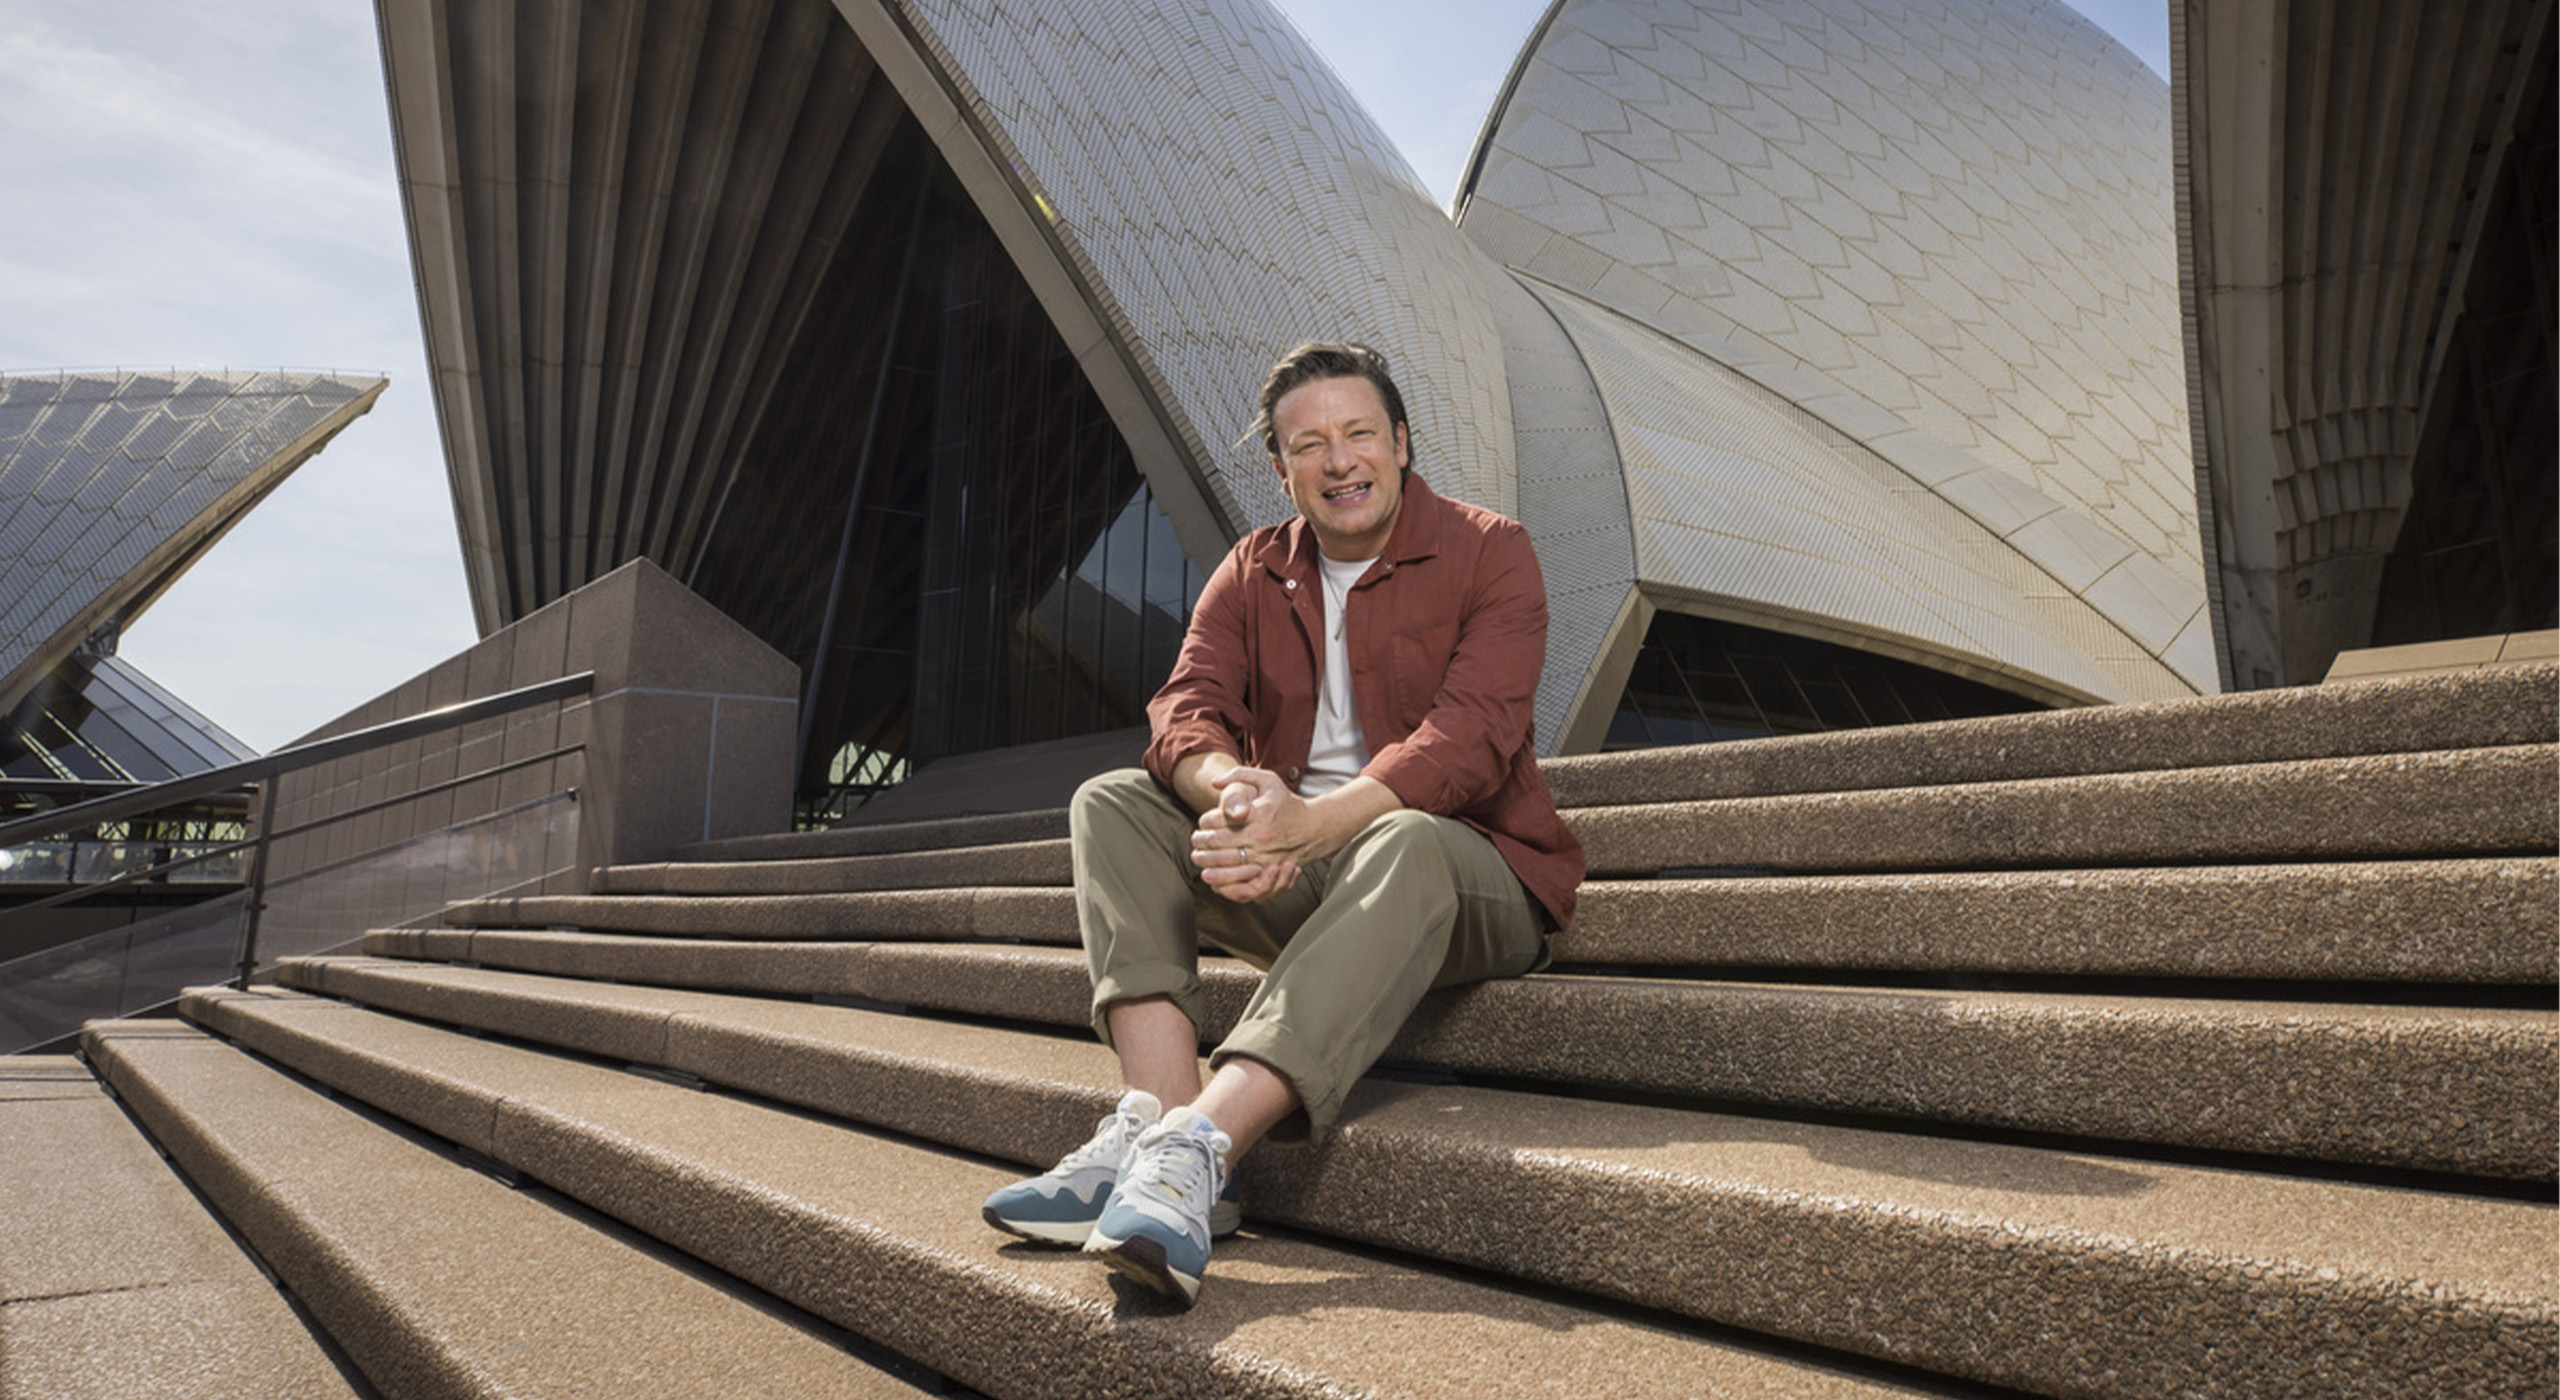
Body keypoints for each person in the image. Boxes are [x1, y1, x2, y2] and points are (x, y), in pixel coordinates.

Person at [980, 341, 1585, 1306]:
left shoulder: (1489, 548)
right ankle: (1157, 1133)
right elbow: (1185, 707)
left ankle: (1203, 1145)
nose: (1338, 461)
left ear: (1400, 443)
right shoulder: (1254, 568)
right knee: (1115, 802)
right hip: (1305, 871)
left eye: (1357, 435)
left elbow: (1473, 736)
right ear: (1282, 469)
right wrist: (1237, 794)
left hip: (1476, 879)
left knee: (1403, 836)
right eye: (1310, 445)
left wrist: (1316, 825)